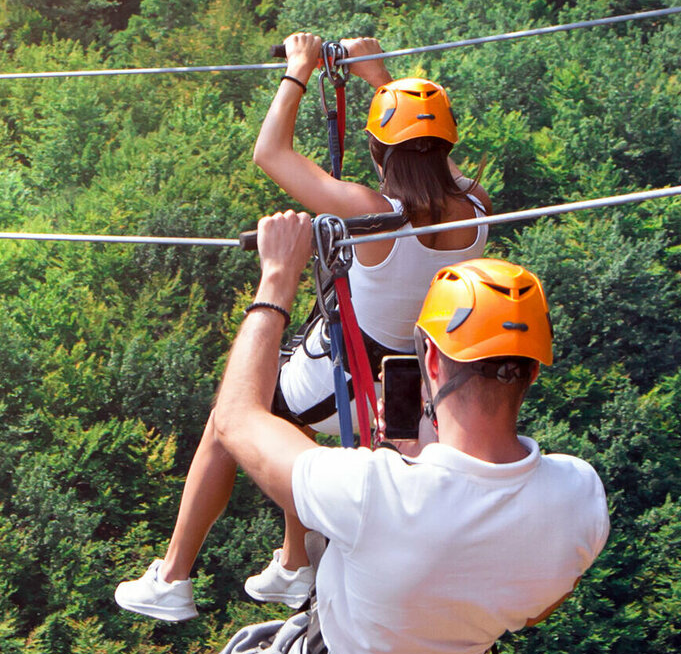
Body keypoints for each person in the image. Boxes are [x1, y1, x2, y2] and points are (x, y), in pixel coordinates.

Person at [0, 215, 608, 654]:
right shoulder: (580, 495)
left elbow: (234, 420)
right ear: (530, 369)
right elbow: (535, 607)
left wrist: (277, 279)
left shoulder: (373, 490)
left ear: (432, 361)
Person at [116, 34, 495, 621]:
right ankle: (295, 564)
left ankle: (172, 577)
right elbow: (432, 159)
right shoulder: (477, 209)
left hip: (348, 375)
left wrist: (298, 69)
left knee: (229, 419)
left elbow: (270, 153)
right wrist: (380, 80)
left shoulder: (370, 213)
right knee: (293, 424)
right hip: (409, 385)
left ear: (377, 149)